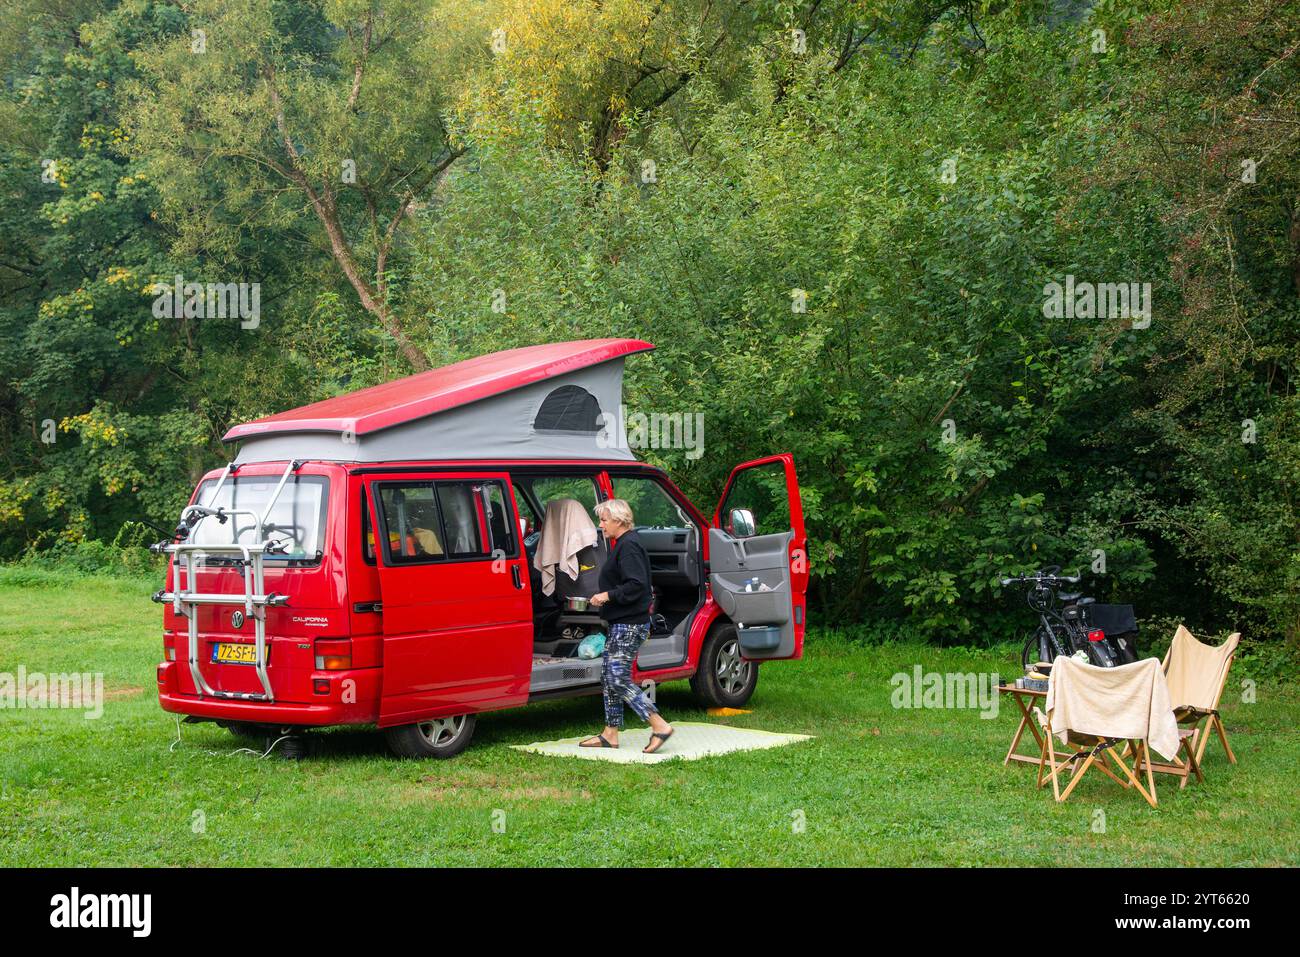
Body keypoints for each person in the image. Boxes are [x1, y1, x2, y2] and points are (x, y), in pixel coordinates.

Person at [579, 499, 674, 754]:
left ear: (619, 520)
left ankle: (659, 725)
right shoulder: (623, 544)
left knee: (618, 678)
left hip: (630, 624)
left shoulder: (629, 546)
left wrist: (606, 596)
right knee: (608, 678)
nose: (601, 526)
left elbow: (637, 585)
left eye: (604, 520)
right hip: (621, 622)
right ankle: (610, 734)